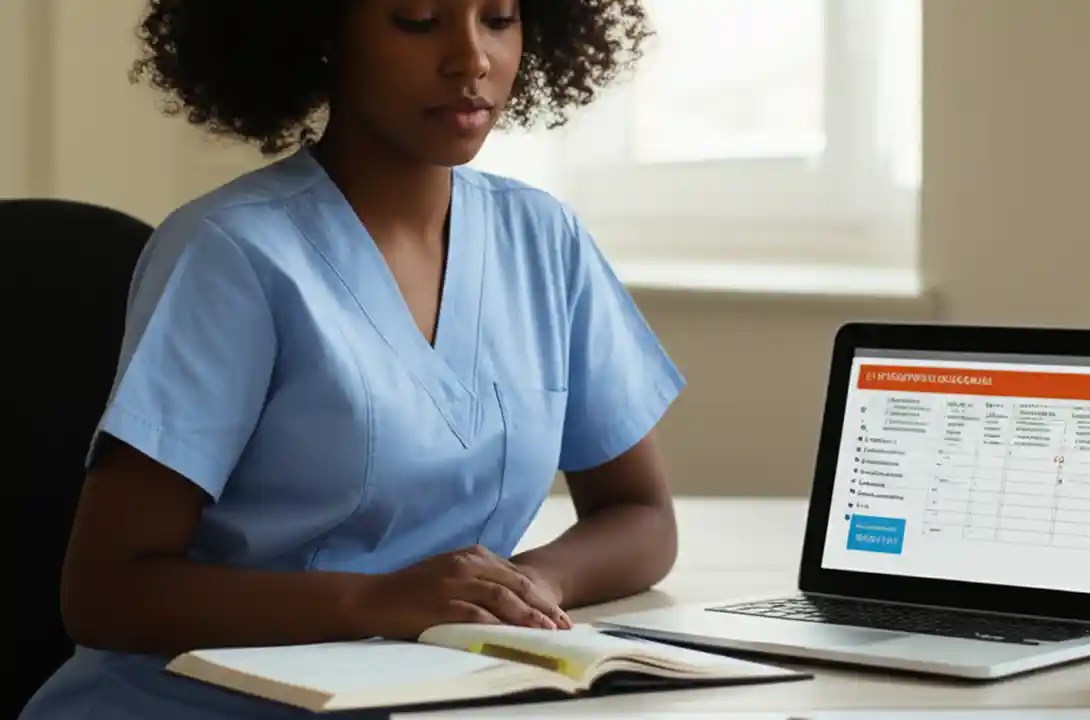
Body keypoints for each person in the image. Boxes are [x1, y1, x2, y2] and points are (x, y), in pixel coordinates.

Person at [20, 1, 683, 718]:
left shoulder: (543, 239)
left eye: (499, 17)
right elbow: (106, 595)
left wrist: (524, 585)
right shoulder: (232, 254)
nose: (472, 59)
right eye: (417, 20)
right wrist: (375, 600)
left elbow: (640, 514)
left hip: (424, 696)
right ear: (325, 35)